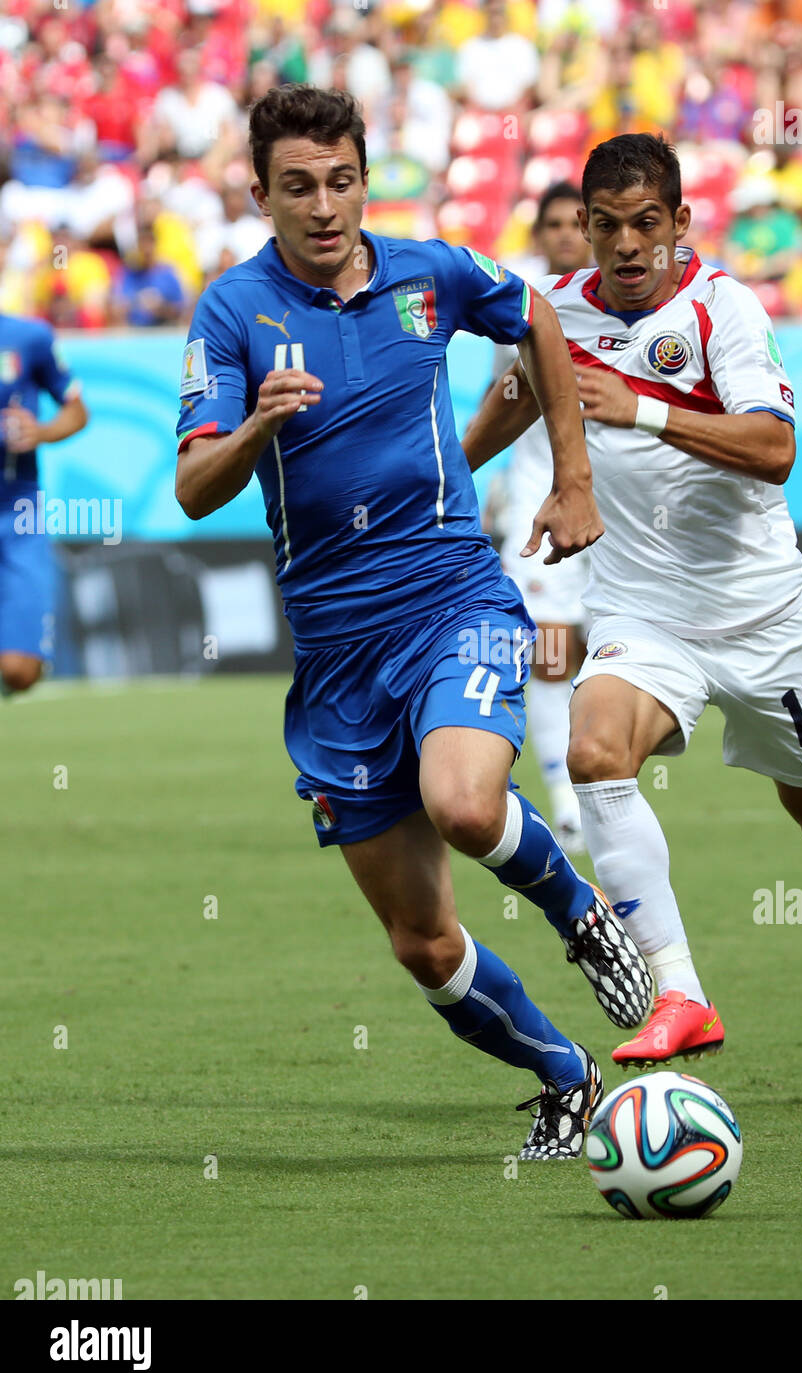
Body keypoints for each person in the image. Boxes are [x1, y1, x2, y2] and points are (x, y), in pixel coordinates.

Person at [173, 86, 652, 1160]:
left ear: (364, 182)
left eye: (341, 180)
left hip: (453, 602)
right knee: (422, 940)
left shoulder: (427, 275)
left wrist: (573, 480)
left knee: (467, 802)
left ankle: (582, 912)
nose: (324, 205)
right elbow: (194, 487)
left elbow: (531, 309)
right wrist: (258, 422)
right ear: (261, 194)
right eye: (297, 186)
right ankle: (563, 1076)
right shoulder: (231, 312)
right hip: (336, 656)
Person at [464, 132, 802, 1069]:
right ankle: (680, 992)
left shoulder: (723, 308)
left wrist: (641, 406)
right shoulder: (558, 317)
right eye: (606, 226)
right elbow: (514, 402)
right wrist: (434, 485)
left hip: (765, 620)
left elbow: (774, 449)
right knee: (594, 749)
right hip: (645, 616)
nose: (625, 245)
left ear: (680, 222)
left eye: (646, 223)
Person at [481, 182, 593, 855]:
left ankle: (597, 783)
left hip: (615, 509)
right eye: (549, 224)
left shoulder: (627, 309)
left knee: (595, 660)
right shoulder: (517, 308)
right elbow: (506, 400)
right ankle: (568, 801)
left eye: (573, 223)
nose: (561, 235)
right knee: (547, 656)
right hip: (534, 503)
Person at [1, 312, 89, 695]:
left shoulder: (29, 336)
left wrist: (41, 431)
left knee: (21, 671)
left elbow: (77, 410)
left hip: (18, 512)